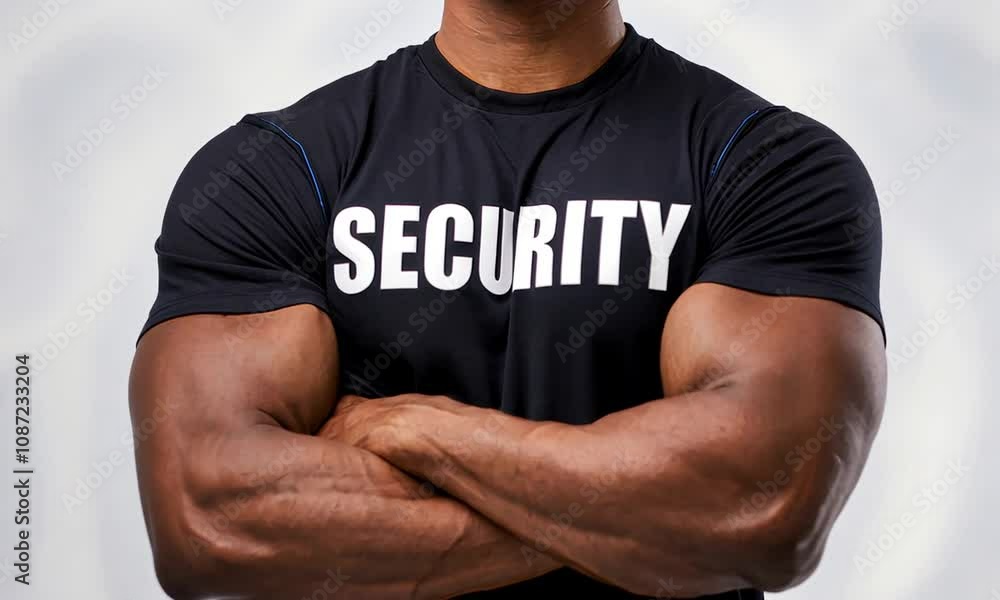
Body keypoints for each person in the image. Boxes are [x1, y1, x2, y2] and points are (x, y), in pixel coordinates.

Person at [129, 1, 887, 598]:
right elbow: (210, 522)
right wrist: (641, 521)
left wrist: (420, 430)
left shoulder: (768, 165)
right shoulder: (273, 171)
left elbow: (763, 503)